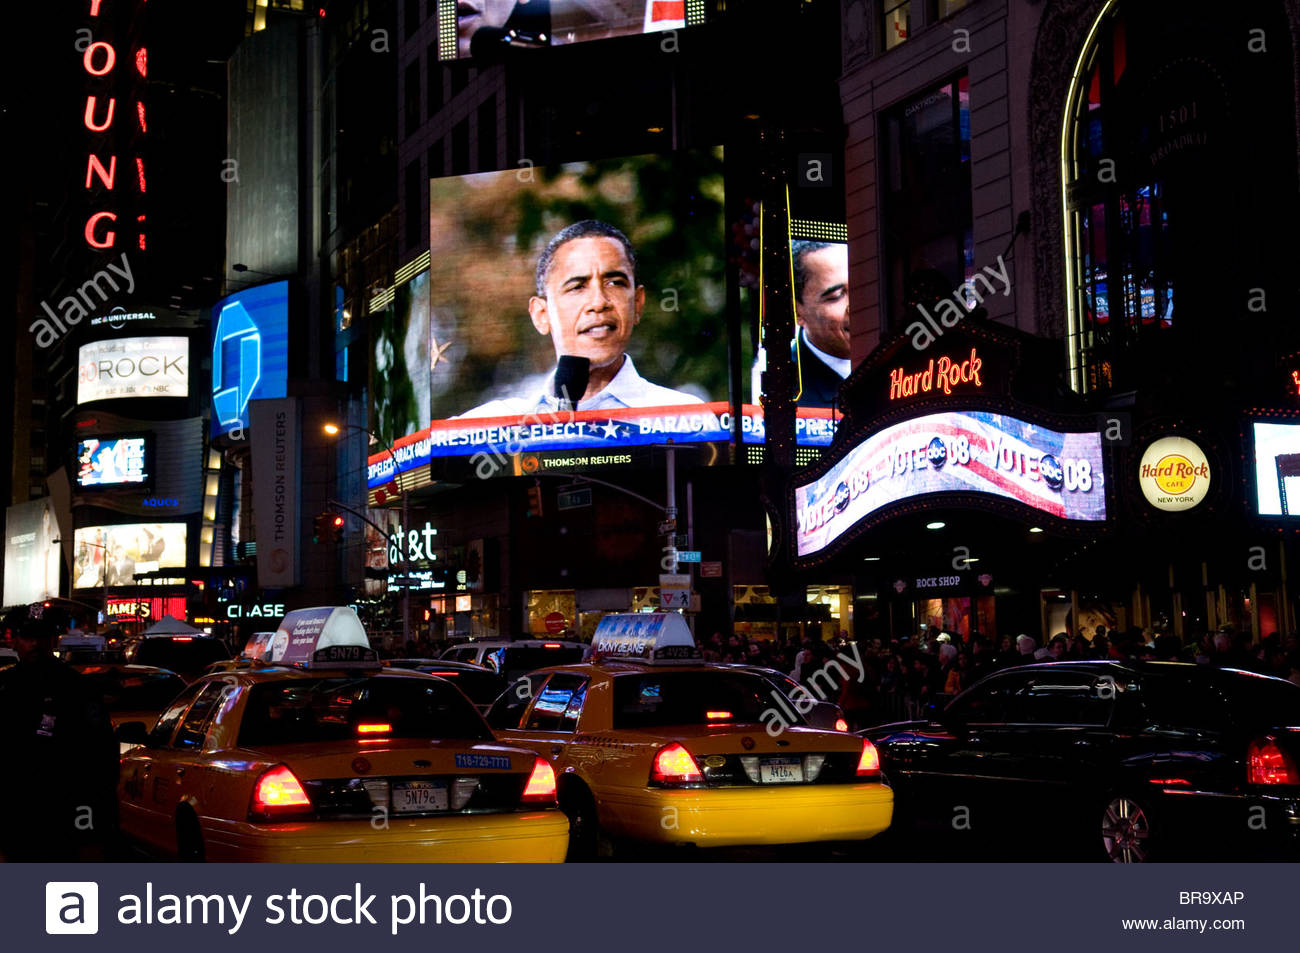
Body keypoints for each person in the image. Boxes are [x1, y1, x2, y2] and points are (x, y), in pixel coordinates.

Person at [458, 220, 704, 417]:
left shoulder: (685, 419)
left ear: (637, 303)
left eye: (615, 282)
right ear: (541, 315)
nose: (599, 302)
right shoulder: (490, 430)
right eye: (577, 287)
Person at [0, 607, 119, 861]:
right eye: (27, 636)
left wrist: (94, 824)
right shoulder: (4, 687)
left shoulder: (76, 688)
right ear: (15, 640)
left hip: (64, 810)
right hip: (15, 811)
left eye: (42, 636)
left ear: (53, 640)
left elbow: (101, 758)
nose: (35, 644)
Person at [790, 240, 850, 408]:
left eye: (862, 285)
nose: (859, 303)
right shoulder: (787, 393)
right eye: (837, 296)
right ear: (797, 312)